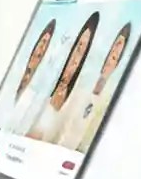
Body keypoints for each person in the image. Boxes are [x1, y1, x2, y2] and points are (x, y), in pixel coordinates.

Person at [56, 23, 132, 153]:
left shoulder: (108, 99)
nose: (109, 59)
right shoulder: (82, 85)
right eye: (110, 53)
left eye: (114, 57)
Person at [24, 12, 100, 142]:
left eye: (83, 53)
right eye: (78, 47)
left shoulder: (75, 102)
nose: (76, 59)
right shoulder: (42, 87)